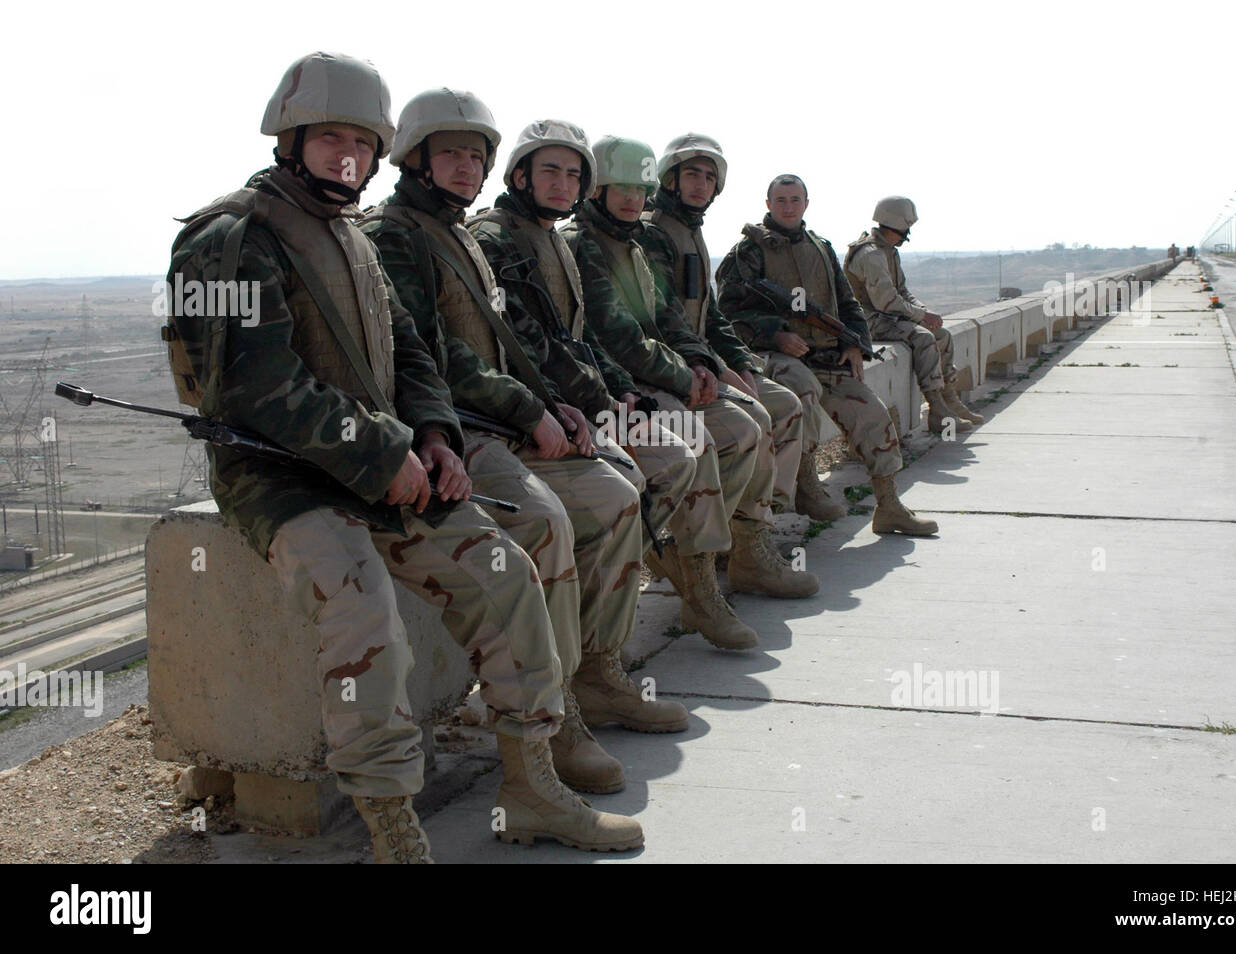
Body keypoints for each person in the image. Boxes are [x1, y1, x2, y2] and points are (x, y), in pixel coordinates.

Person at [166, 54, 641, 861]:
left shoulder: (348, 236)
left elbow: (414, 353)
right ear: (291, 138)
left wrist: (433, 435)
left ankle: (532, 783)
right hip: (280, 477)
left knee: (505, 572)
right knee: (361, 607)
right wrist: (387, 450)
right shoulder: (231, 237)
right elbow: (257, 386)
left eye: (361, 141)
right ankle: (392, 826)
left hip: (385, 464)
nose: (346, 156)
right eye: (329, 139)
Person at [362, 92, 690, 798]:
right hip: (457, 428)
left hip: (499, 418)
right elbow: (432, 354)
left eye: (474, 154)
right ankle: (552, 714)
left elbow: (519, 343)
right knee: (546, 523)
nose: (463, 166)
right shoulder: (400, 235)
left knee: (617, 494)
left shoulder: (453, 234)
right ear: (416, 158)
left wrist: (563, 407)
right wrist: (531, 408)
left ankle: (596, 673)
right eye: (449, 152)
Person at [716, 174, 938, 536]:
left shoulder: (820, 247)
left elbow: (848, 303)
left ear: (806, 203)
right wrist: (777, 333)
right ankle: (805, 487)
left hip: (825, 353)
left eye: (795, 199)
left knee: (872, 412)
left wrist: (854, 343)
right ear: (768, 204)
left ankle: (889, 506)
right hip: (775, 356)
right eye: (781, 200)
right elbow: (728, 311)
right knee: (801, 391)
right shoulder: (748, 252)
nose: (789, 206)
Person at [639, 133, 820, 536]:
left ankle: (755, 527)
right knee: (750, 422)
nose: (700, 185)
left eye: (708, 177)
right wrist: (719, 368)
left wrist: (739, 362)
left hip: (705, 360)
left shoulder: (691, 229)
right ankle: (740, 536)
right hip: (673, 367)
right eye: (691, 175)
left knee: (788, 406)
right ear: (670, 178)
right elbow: (665, 318)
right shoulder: (654, 233)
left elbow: (711, 312)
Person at [843, 196, 982, 433]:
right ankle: (937, 410)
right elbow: (886, 301)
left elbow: (903, 292)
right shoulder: (871, 254)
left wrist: (925, 312)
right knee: (923, 337)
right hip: (867, 320)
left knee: (942, 335)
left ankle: (951, 401)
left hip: (886, 316)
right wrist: (920, 317)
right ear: (897, 223)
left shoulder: (888, 251)